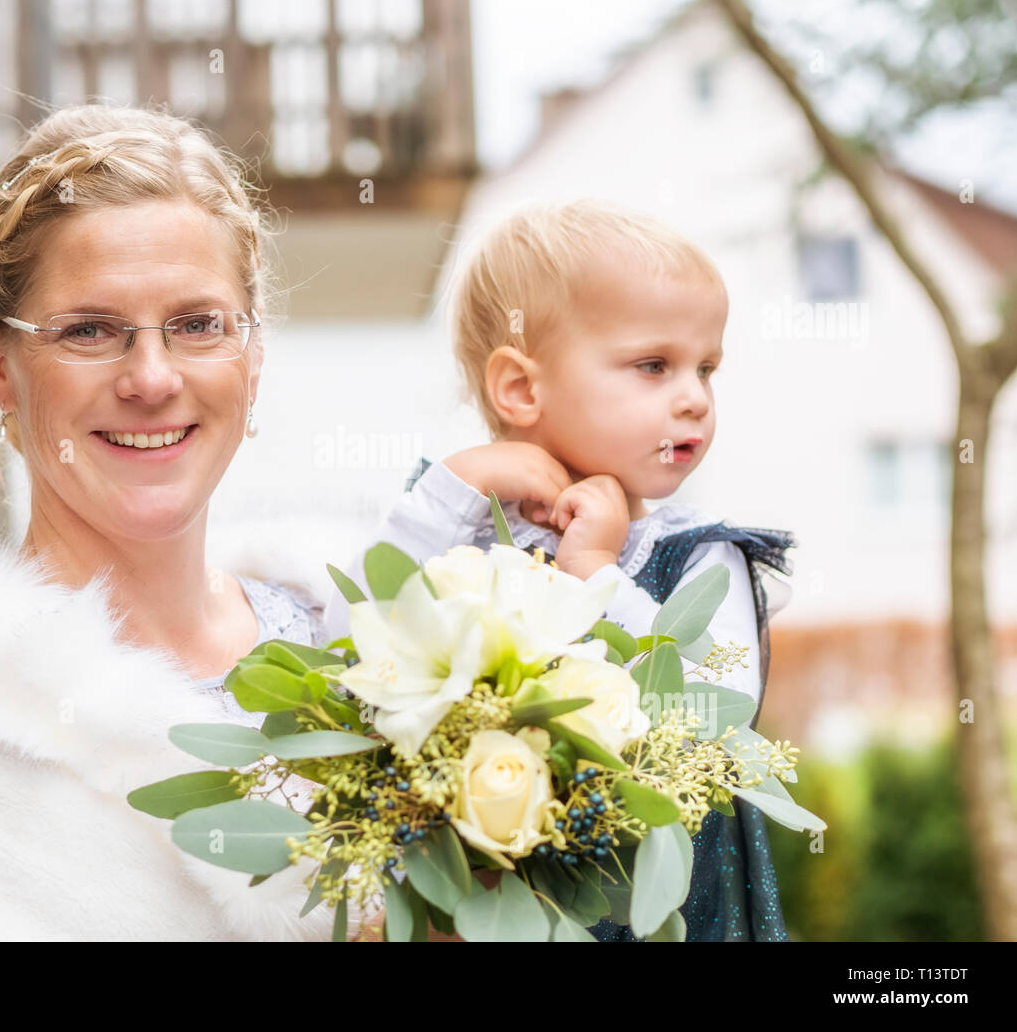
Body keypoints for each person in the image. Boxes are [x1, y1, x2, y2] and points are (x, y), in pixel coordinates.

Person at [0, 103, 350, 941]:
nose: (151, 377)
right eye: (89, 331)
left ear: (254, 354)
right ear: (0, 371)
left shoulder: (356, 640)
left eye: (198, 324)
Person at [325, 199, 797, 941]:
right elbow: (343, 650)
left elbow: (717, 718)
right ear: (519, 388)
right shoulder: (453, 529)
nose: (695, 398)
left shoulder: (703, 556)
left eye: (707, 368)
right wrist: (447, 490)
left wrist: (596, 571)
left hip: (666, 909)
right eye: (654, 365)